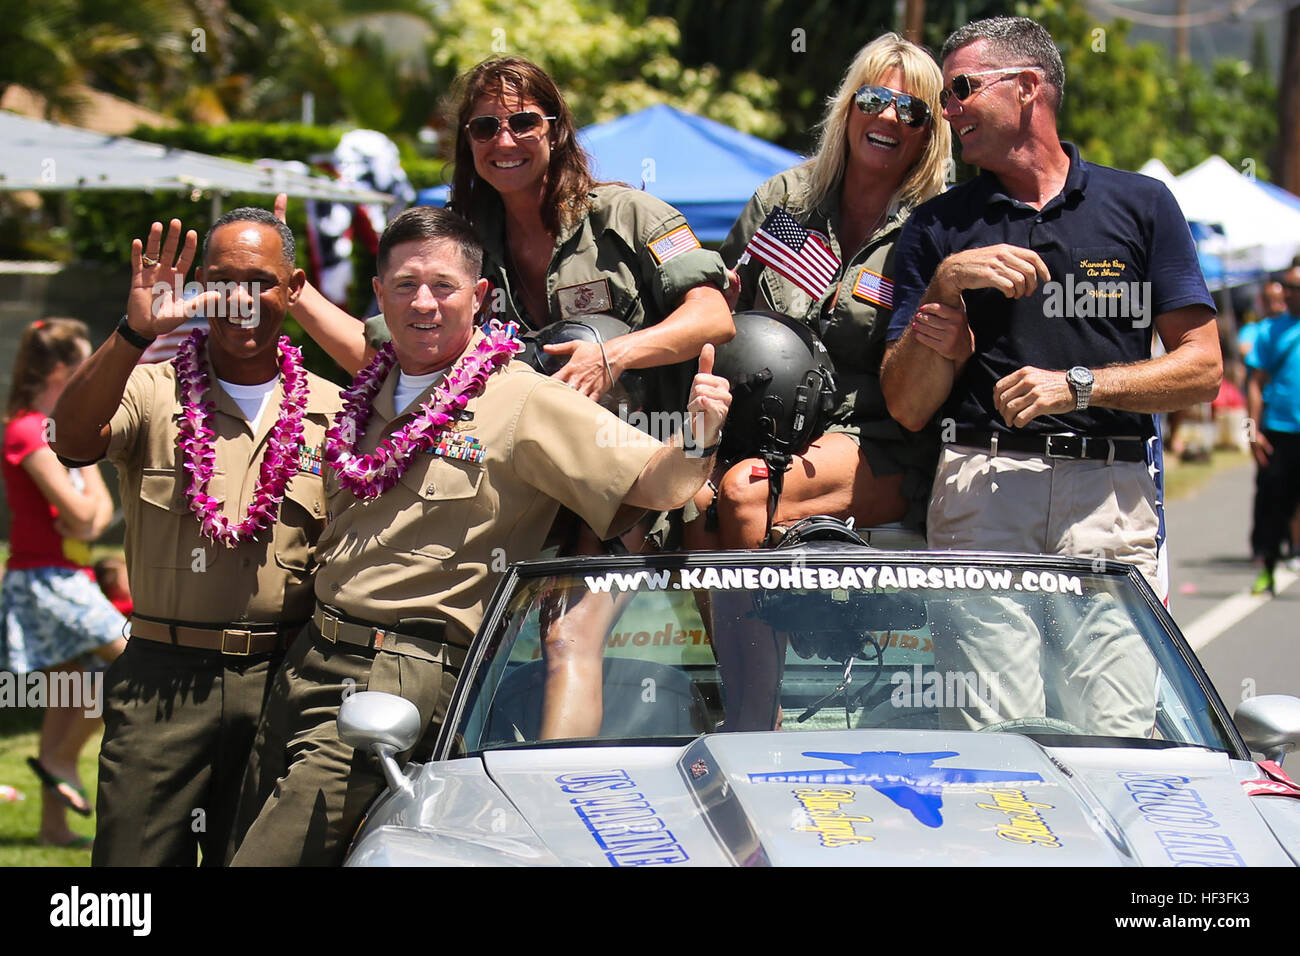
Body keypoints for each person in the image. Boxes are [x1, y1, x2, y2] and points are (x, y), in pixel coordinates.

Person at [227, 205, 730, 866]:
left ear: (480, 297)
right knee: (240, 842)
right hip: (310, 655)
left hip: (401, 670)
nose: (424, 303)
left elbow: (662, 486)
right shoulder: (374, 385)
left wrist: (699, 430)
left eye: (443, 286)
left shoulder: (523, 400)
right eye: (404, 286)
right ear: (379, 296)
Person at [878, 17, 1220, 733]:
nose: (948, 111)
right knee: (996, 742)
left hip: (1110, 497)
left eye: (962, 89)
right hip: (983, 488)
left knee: (1116, 734)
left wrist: (1080, 384)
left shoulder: (1141, 204)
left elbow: (1202, 369)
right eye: (946, 96)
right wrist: (943, 286)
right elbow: (907, 407)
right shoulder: (937, 229)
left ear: (1029, 87)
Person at [51, 209, 343, 866]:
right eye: (221, 282)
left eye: (260, 283)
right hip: (164, 679)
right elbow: (69, 439)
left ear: (294, 288)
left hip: (285, 679)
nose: (241, 301)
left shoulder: (334, 409)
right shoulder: (150, 389)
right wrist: (132, 332)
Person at [288, 56, 733, 419]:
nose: (503, 141)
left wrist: (613, 354)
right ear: (468, 143)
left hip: (645, 455)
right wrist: (293, 289)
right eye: (484, 127)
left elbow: (713, 318)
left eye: (522, 122)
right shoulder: (456, 240)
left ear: (554, 131)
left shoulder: (629, 213)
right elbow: (382, 356)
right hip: (518, 485)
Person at [689, 32, 950, 550]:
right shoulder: (787, 202)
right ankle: (748, 637)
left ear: (929, 134)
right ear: (848, 108)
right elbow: (723, 306)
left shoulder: (935, 230)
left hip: (876, 438)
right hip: (761, 422)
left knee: (744, 494)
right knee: (693, 498)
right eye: (874, 99)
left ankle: (762, 635)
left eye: (912, 111)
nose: (889, 118)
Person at [0, 318, 127, 849]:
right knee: (131, 657)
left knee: (71, 691)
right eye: (83, 362)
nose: (92, 371)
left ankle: (53, 825)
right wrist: (83, 514)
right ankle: (56, 759)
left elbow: (96, 516)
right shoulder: (28, 429)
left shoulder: (63, 425)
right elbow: (80, 509)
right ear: (59, 369)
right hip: (44, 579)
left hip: (70, 573)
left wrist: (83, 515)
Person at [1246, 266, 1300, 594]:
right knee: (1272, 500)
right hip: (1278, 429)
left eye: (1295, 287)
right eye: (1287, 287)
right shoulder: (1269, 331)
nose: (1290, 293)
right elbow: (1254, 382)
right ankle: (1267, 567)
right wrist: (1251, 429)